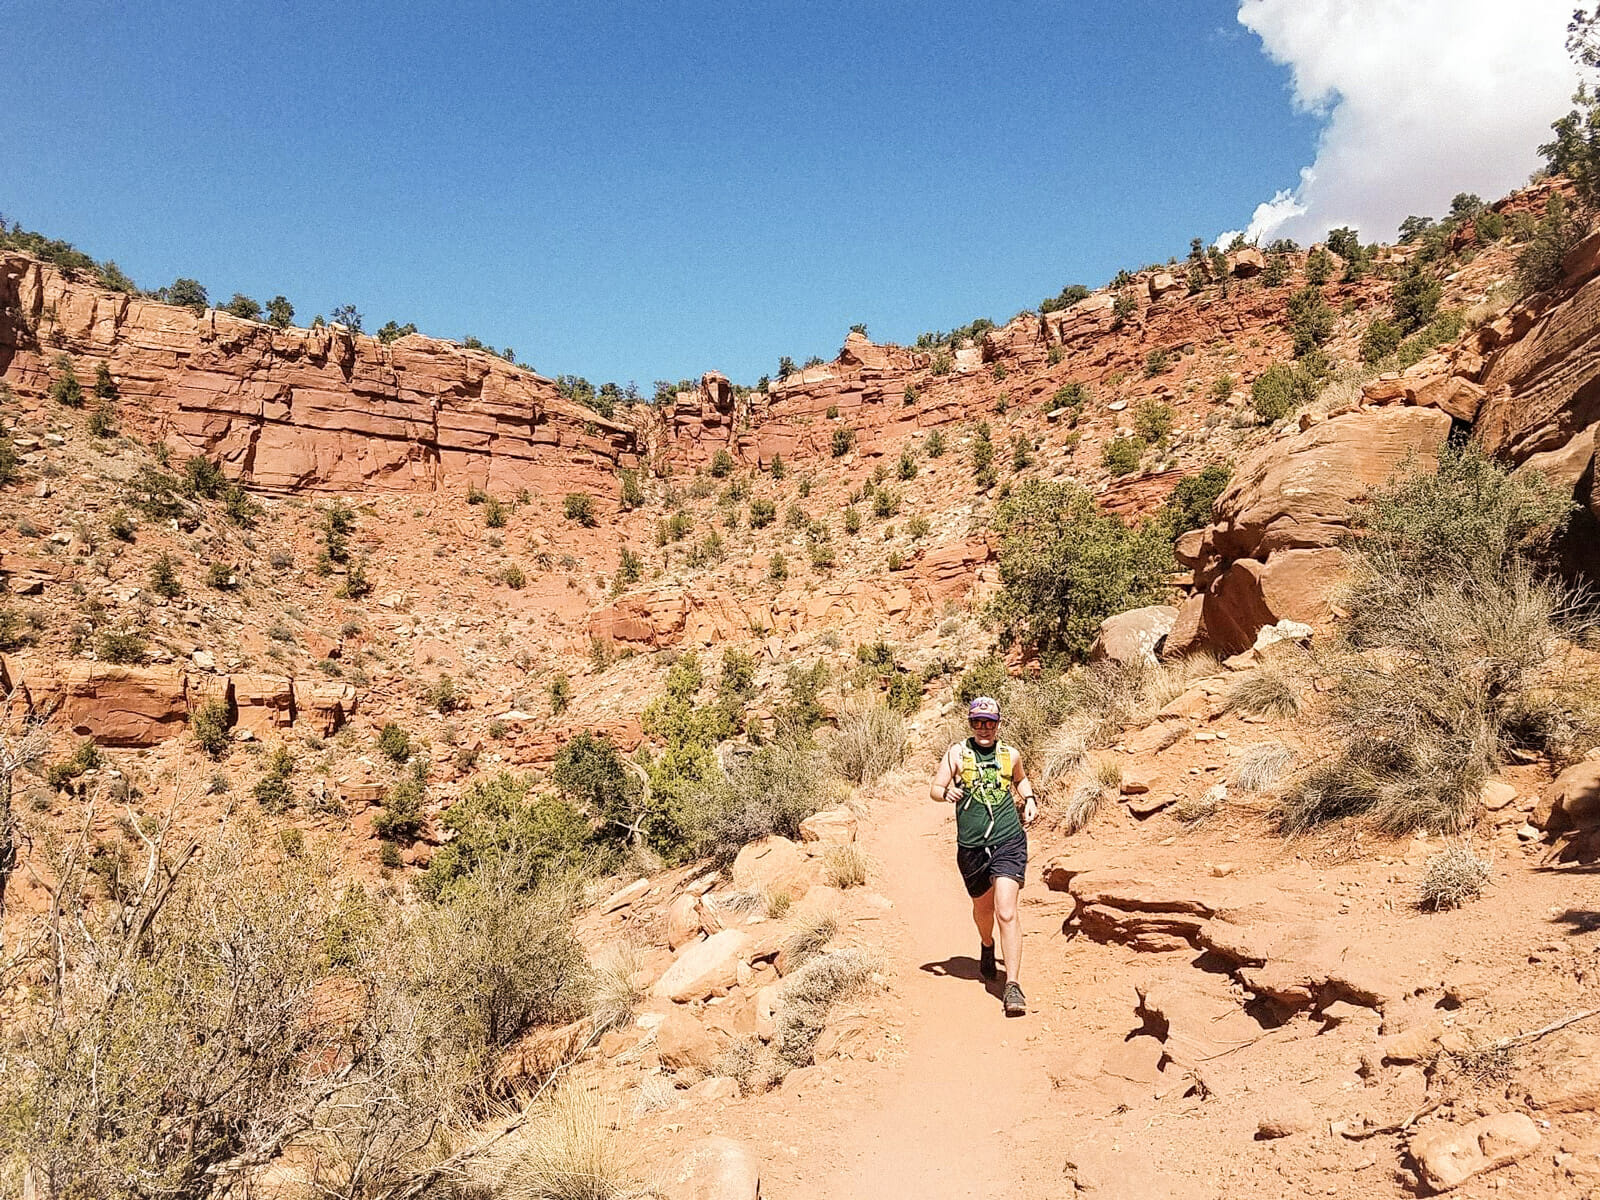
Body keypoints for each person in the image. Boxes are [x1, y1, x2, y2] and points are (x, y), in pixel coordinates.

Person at [928, 696, 1036, 1016]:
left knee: (1006, 911)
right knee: (983, 910)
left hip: (1008, 839)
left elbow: (1020, 778)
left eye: (989, 722)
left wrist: (1028, 798)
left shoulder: (1010, 754)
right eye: (978, 722)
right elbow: (935, 788)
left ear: (998, 723)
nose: (984, 728)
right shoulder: (957, 754)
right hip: (972, 847)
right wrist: (946, 792)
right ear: (971, 723)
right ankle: (987, 945)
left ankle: (1012, 985)